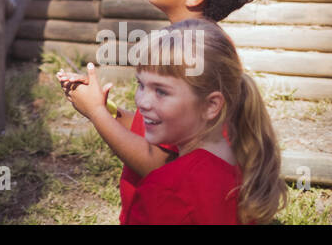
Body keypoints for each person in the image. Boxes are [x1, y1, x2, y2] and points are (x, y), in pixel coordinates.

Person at [58, 0, 263, 220]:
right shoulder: (205, 45)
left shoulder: (189, 56)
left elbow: (157, 163)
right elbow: (160, 131)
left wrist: (97, 115)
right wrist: (107, 110)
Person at [116, 19, 286, 224]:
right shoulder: (246, 163)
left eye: (161, 91)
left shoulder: (164, 190)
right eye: (140, 84)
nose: (141, 102)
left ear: (211, 105)